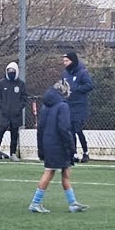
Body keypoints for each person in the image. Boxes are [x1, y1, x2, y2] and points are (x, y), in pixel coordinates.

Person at [29, 80, 88, 213]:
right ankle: (35, 202)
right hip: (59, 144)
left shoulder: (45, 107)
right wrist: (71, 147)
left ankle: (72, 202)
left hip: (48, 143)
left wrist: (41, 148)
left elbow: (40, 129)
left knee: (66, 171)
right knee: (49, 172)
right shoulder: (63, 106)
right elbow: (64, 128)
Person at [61, 51, 95, 163]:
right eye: (64, 61)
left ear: (73, 61)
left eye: (67, 61)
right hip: (68, 106)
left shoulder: (82, 72)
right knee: (70, 130)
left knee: (77, 129)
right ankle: (73, 153)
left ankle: (85, 152)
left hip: (80, 106)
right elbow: (63, 86)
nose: (65, 63)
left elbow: (89, 85)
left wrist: (76, 89)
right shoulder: (65, 74)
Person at [0, 60, 28, 161]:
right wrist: (1, 107)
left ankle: (13, 153)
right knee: (0, 133)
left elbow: (24, 98)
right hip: (4, 114)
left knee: (14, 134)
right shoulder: (2, 83)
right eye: (9, 70)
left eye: (13, 71)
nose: (11, 72)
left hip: (16, 115)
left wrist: (18, 109)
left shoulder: (21, 84)